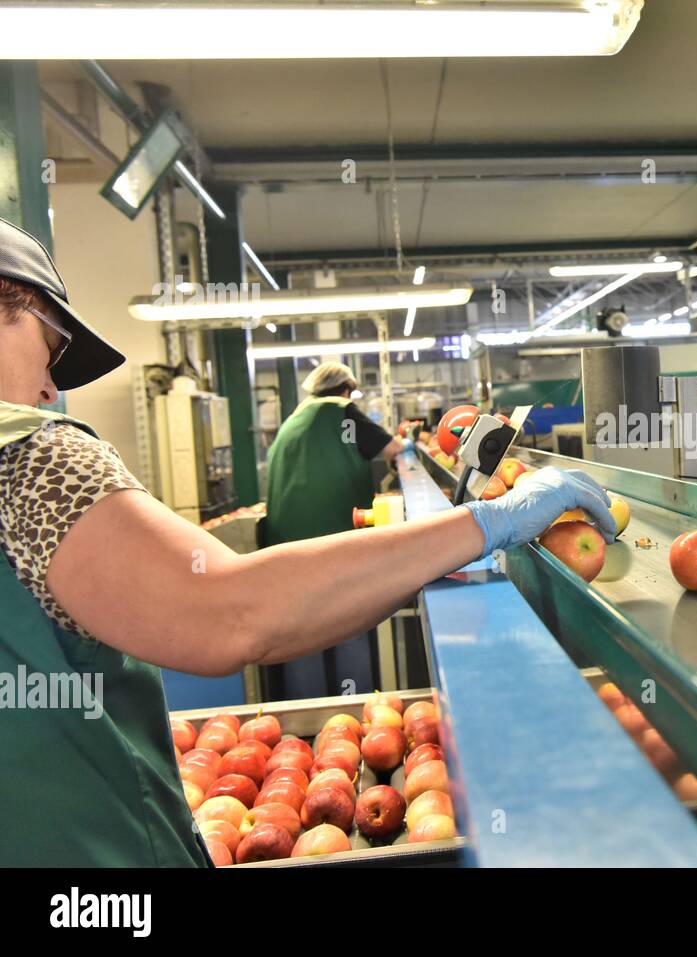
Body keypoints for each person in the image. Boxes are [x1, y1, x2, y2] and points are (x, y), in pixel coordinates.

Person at [0, 218, 615, 866]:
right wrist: (486, 524)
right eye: (51, 342)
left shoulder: (297, 417)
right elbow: (233, 612)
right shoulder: (31, 459)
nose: (50, 388)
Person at [262, 360, 408, 699]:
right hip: (337, 541)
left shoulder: (293, 420)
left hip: (285, 548)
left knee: (301, 633)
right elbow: (392, 450)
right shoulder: (342, 411)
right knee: (348, 625)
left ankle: (307, 719)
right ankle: (354, 710)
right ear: (345, 390)